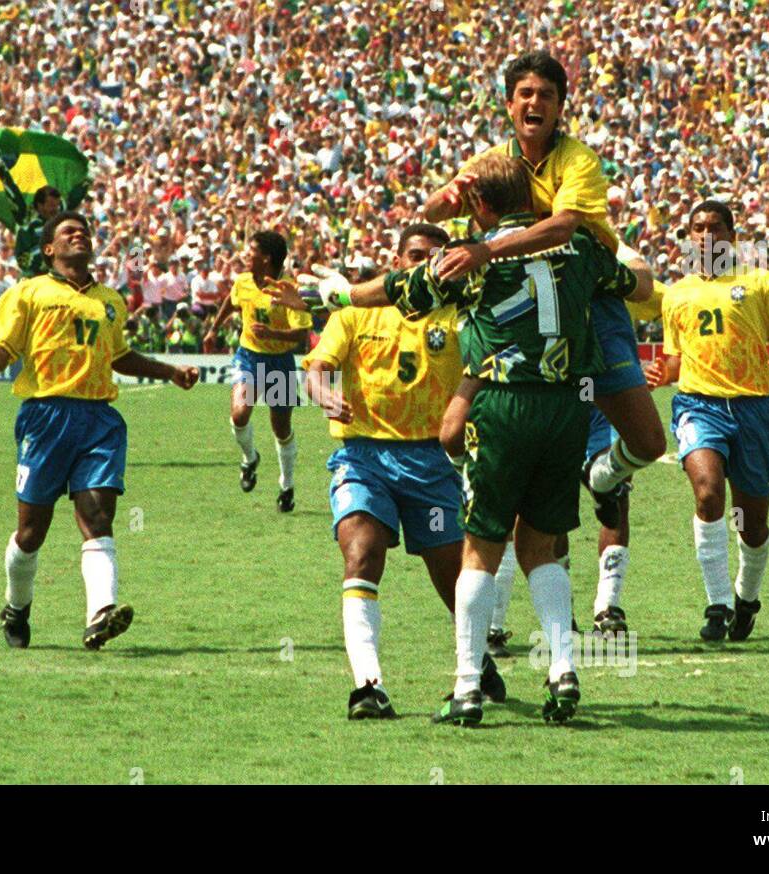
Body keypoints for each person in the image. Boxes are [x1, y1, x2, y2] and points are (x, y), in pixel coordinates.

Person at [280, 153, 653, 725]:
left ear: (478, 203)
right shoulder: (583, 248)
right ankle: (563, 669)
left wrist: (337, 291)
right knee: (543, 546)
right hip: (566, 404)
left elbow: (394, 289)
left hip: (503, 405)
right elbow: (637, 285)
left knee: (480, 549)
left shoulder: (466, 261)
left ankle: (466, 689)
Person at [427, 51, 667, 528]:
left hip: (590, 300)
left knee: (648, 443)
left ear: (560, 107)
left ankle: (600, 477)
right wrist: (447, 200)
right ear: (509, 104)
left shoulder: (578, 160)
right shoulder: (491, 164)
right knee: (470, 441)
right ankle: (480, 491)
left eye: (547, 95)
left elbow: (563, 228)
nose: (535, 102)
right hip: (518, 315)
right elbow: (433, 210)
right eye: (526, 94)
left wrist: (487, 252)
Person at [302, 222, 505, 719]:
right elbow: (314, 369)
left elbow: (486, 372)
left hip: (431, 464)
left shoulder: (460, 317)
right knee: (362, 554)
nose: (425, 265)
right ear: (397, 260)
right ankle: (368, 686)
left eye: (437, 257)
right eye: (416, 255)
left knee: (450, 575)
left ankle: (475, 659)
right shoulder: (356, 312)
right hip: (362, 457)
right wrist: (325, 395)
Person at [0, 212, 199, 651]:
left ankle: (100, 614)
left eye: (84, 231)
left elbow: (120, 356)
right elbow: (3, 346)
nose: (78, 235)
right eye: (67, 232)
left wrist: (169, 371)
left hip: (99, 420)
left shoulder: (109, 300)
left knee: (98, 516)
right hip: (46, 416)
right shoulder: (28, 292)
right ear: (48, 249)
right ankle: (16, 606)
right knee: (31, 532)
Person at [644, 200, 769, 642]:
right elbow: (677, 361)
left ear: (732, 236)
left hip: (753, 408)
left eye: (713, 227)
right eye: (696, 228)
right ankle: (716, 605)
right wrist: (662, 375)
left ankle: (745, 598)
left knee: (751, 524)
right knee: (708, 492)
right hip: (699, 405)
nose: (704, 235)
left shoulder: (760, 283)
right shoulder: (677, 294)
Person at [203, 231, 311, 512]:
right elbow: (231, 300)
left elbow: (301, 335)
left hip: (280, 362)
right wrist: (215, 328)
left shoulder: (287, 290)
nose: (245, 255)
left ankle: (286, 485)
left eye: (251, 251)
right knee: (240, 414)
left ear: (266, 258)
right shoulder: (242, 281)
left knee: (282, 429)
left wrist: (272, 332)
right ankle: (250, 459)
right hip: (249, 357)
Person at [13, 185, 64, 278]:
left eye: (57, 205)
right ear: (40, 206)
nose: (56, 209)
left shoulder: (61, 224)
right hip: (36, 280)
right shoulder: (28, 227)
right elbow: (22, 260)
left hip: (60, 280)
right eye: (52, 206)